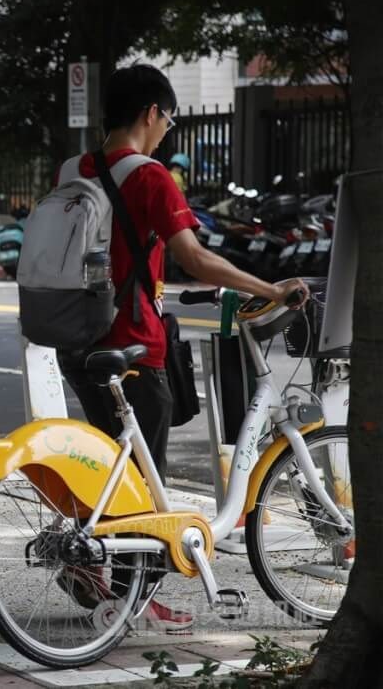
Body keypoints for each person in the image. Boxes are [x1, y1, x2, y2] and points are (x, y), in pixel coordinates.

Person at [51, 64, 308, 631]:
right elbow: (193, 254)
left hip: (75, 339)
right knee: (149, 484)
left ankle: (95, 574)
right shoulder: (148, 176)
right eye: (167, 119)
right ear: (150, 113)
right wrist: (271, 288)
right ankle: (136, 602)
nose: (167, 129)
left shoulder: (75, 169)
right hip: (131, 344)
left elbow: (114, 254)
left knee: (112, 470)